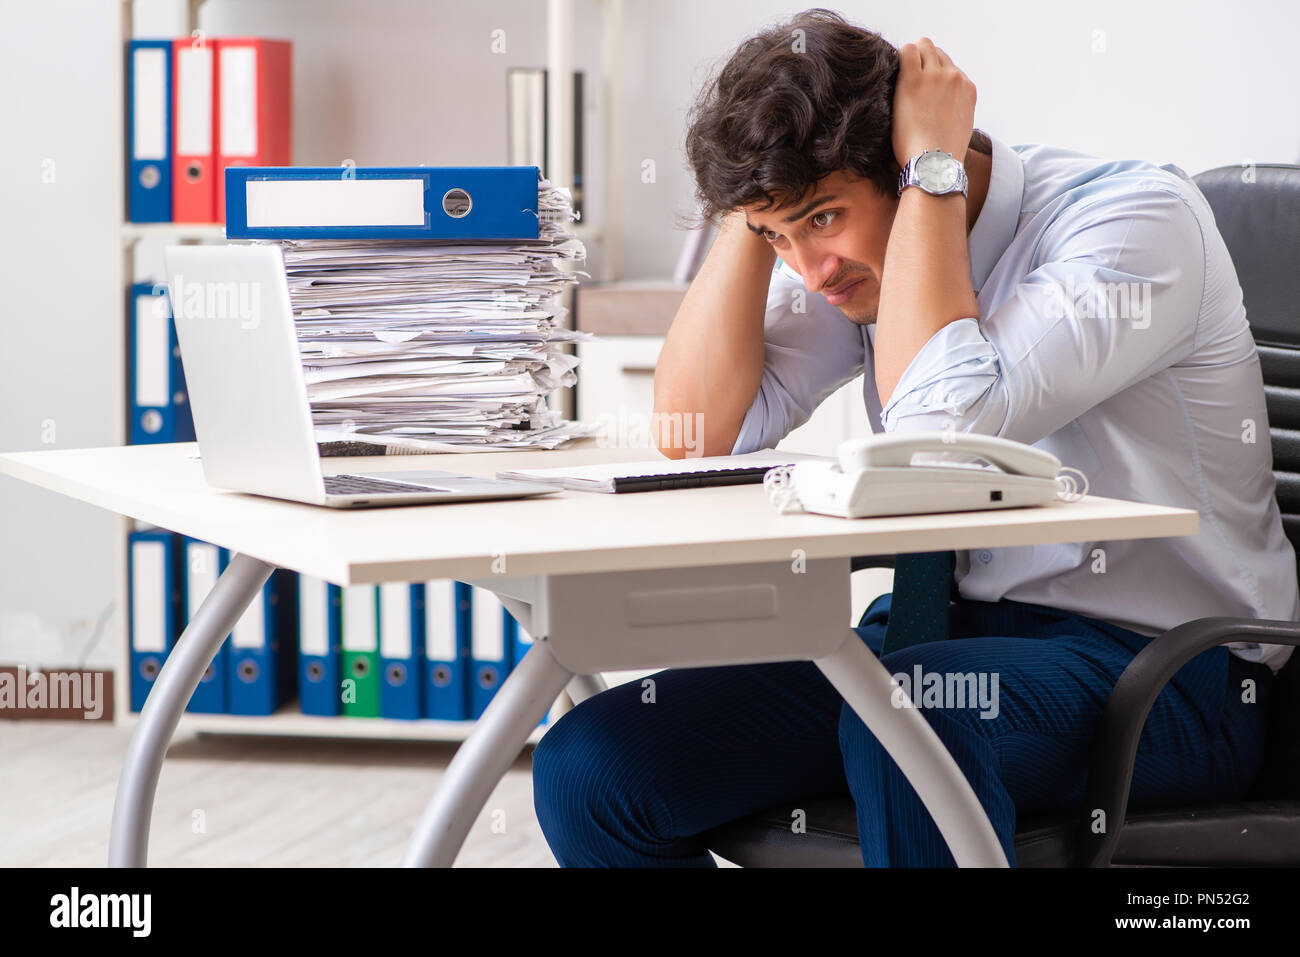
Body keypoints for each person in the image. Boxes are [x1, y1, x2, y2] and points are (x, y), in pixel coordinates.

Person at [531, 7, 1297, 866]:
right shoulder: (845, 260)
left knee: (907, 720)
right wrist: (749, 208)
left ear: (902, 163)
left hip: (1165, 677)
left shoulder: (1131, 224)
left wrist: (932, 172)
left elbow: (941, 439)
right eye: (777, 235)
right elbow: (700, 432)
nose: (810, 270)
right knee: (593, 769)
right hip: (929, 645)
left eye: (822, 218)